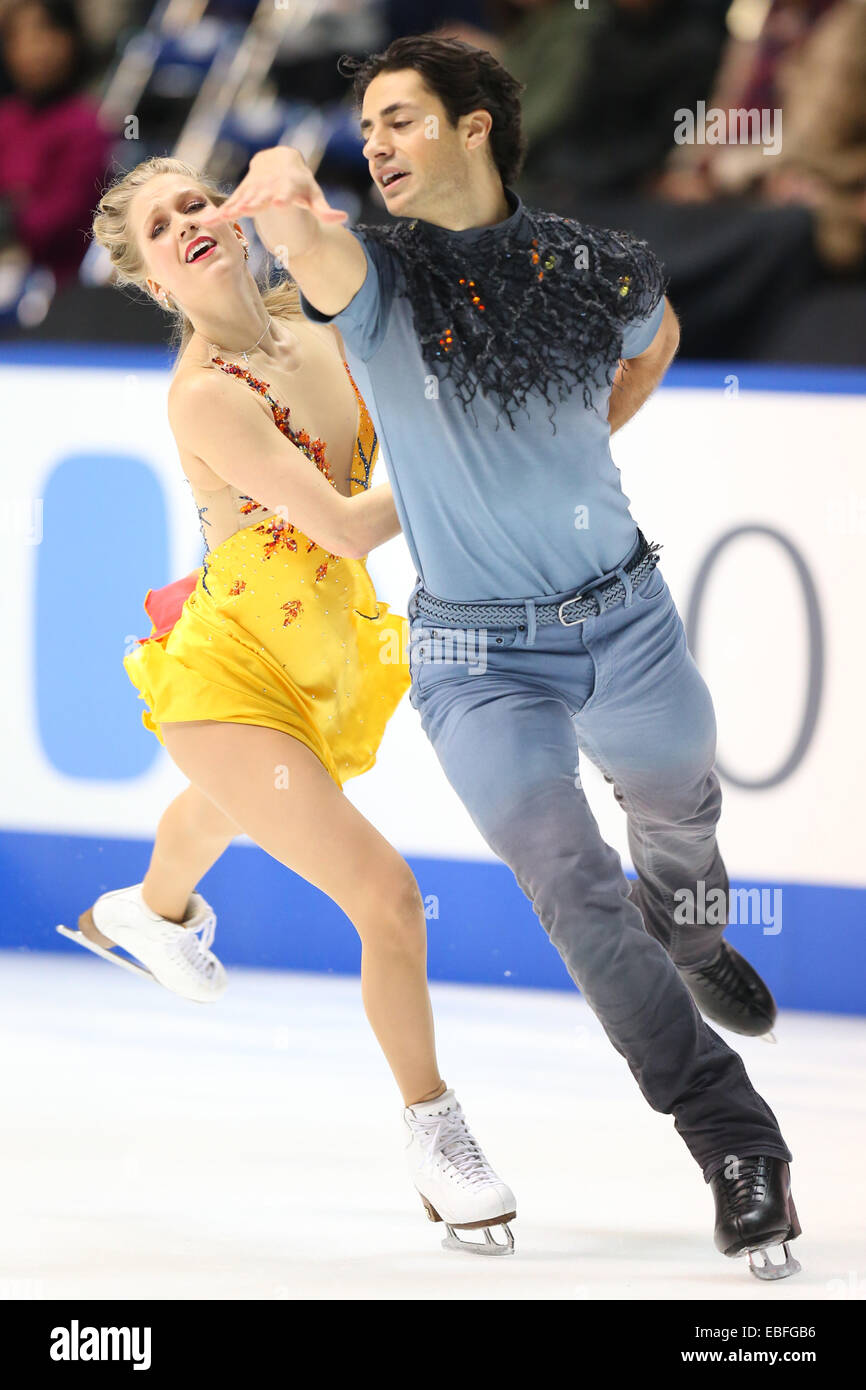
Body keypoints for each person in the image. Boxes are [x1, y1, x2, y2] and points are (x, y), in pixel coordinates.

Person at [195, 34, 802, 1280]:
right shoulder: (378, 274)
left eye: (402, 119)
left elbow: (659, 331)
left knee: (676, 815)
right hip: (476, 661)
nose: (377, 142)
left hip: (625, 622)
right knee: (569, 888)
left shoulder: (596, 260)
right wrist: (287, 199)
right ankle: (733, 1137)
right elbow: (313, 248)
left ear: (474, 128)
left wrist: (596, 424)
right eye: (365, 124)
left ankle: (686, 934)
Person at [64, 155, 517, 1258]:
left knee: (225, 809)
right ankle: (436, 1134)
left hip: (314, 656)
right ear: (153, 280)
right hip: (228, 678)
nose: (185, 222)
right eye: (160, 224)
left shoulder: (316, 327)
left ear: (229, 216)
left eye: (193, 200)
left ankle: (146, 910)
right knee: (389, 898)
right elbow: (354, 526)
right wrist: (466, 458)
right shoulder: (207, 393)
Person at [0, 0, 110, 288]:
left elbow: (62, 218)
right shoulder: (6, 119)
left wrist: (11, 218)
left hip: (57, 288)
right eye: (20, 37)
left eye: (46, 33)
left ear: (71, 40)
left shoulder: (89, 125)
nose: (36, 50)